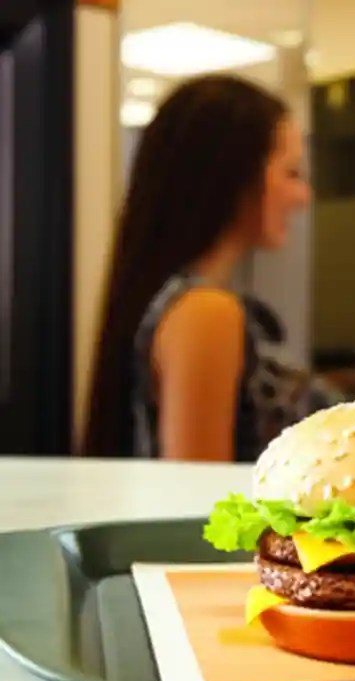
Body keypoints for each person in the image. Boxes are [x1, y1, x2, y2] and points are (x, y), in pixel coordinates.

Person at [84, 75, 312, 462]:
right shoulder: (206, 313)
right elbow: (201, 493)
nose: (302, 196)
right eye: (290, 173)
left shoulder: (178, 303)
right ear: (236, 174)